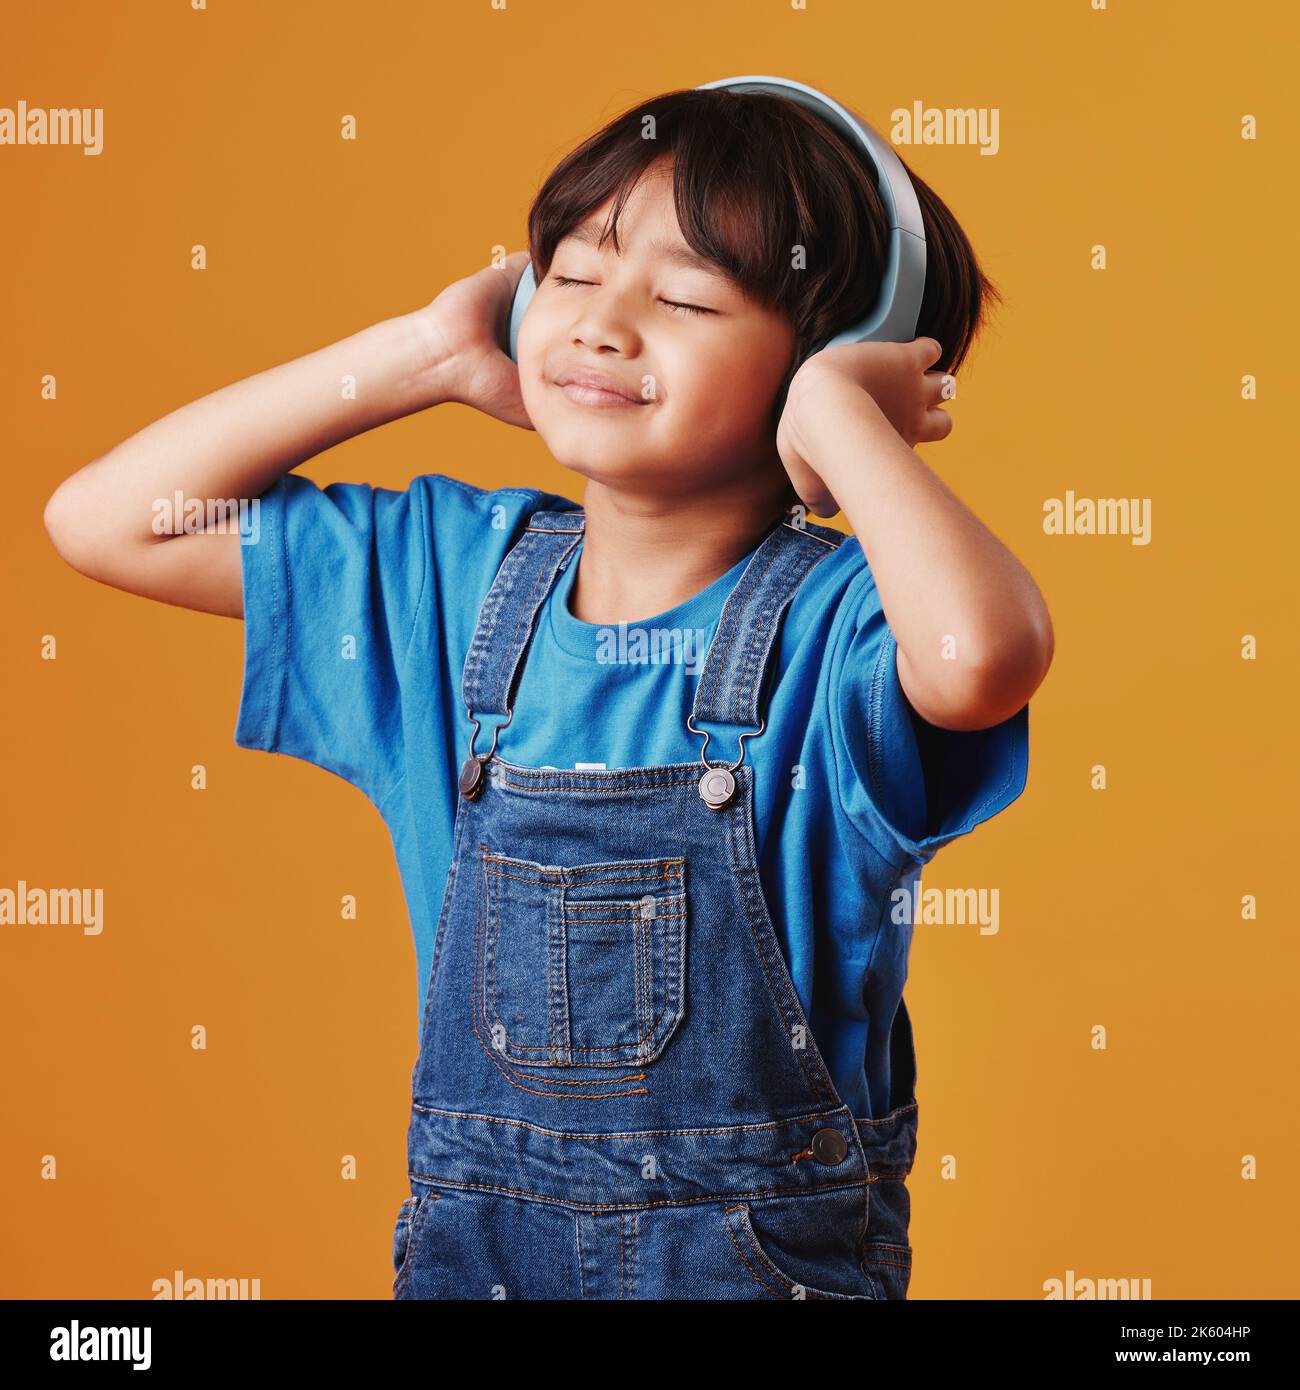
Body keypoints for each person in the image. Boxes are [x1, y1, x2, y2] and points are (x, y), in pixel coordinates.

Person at [44, 84, 1052, 1300]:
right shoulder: (447, 581)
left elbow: (979, 659)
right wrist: (419, 353)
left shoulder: (839, 628)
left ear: (836, 359)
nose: (603, 324)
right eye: (570, 273)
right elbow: (107, 523)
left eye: (684, 297)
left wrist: (841, 426)